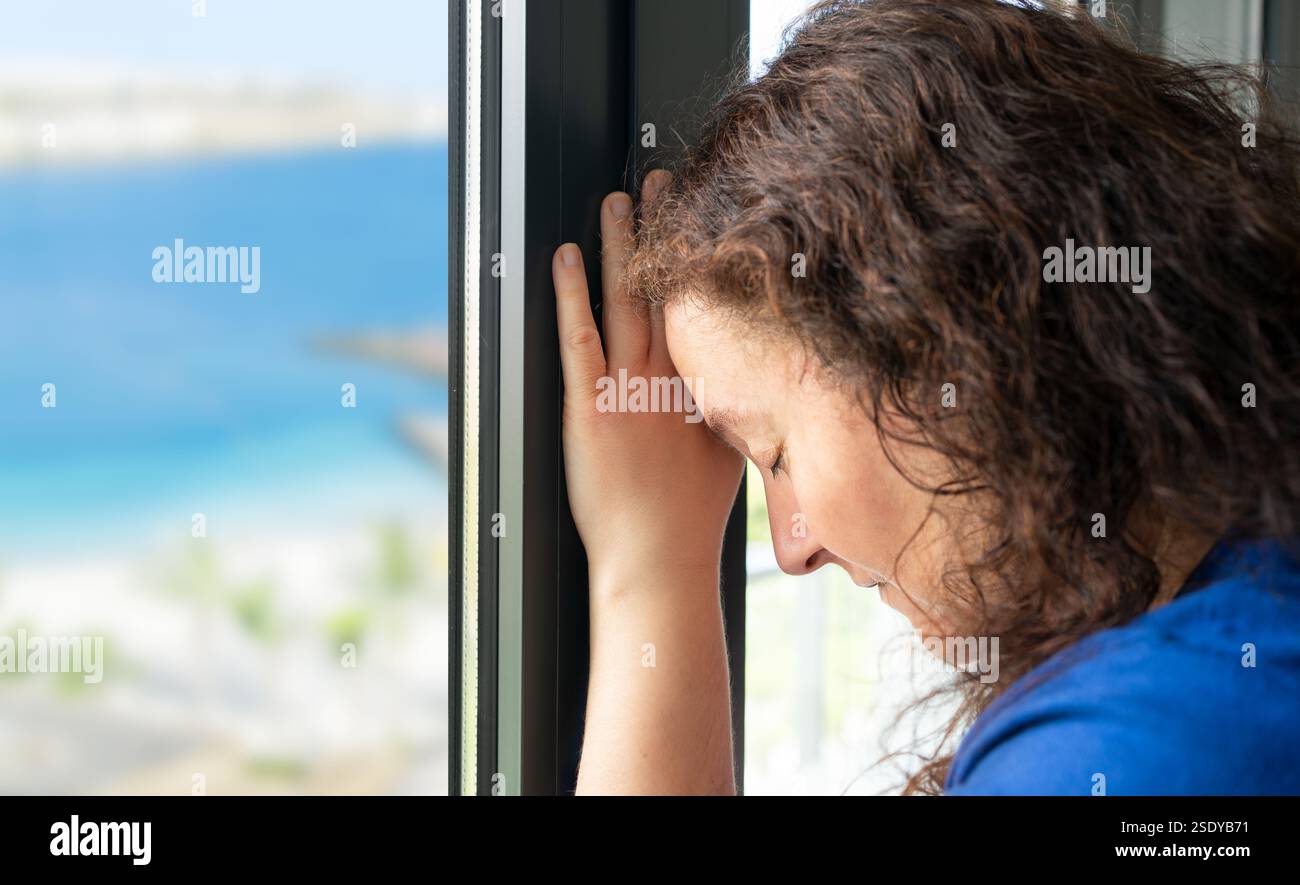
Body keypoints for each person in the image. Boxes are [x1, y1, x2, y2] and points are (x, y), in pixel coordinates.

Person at [550, 0, 1300, 794]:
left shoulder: (1128, 751)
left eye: (775, 453)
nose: (793, 551)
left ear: (944, 349)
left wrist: (653, 570)